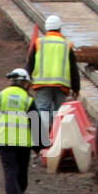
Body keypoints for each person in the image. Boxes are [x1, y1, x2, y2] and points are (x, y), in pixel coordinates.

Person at [0, 69, 39, 194]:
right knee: (22, 172)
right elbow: (36, 123)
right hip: (23, 143)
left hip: (4, 141)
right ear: (23, 82)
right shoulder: (28, 99)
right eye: (28, 83)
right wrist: (39, 146)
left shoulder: (1, 96)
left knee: (10, 171)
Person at [26, 14, 80, 142]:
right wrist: (76, 88)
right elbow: (73, 68)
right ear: (60, 28)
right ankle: (57, 139)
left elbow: (30, 64)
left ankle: (42, 139)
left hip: (42, 84)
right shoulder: (67, 45)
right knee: (59, 111)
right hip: (61, 85)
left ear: (47, 29)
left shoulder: (39, 43)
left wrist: (26, 83)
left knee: (43, 109)